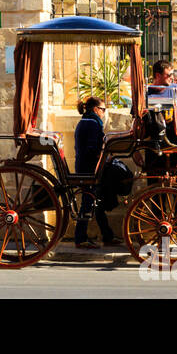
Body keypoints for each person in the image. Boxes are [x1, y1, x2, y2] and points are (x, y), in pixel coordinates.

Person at [72, 97, 117, 249]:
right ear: (96, 109)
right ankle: (80, 238)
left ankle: (107, 235)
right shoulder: (92, 124)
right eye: (103, 109)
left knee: (95, 201)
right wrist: (104, 157)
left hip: (85, 166)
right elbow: (92, 149)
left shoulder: (87, 122)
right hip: (88, 168)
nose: (104, 113)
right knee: (88, 201)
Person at [147, 60, 177, 140]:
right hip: (152, 141)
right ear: (158, 75)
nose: (172, 77)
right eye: (169, 75)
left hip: (174, 140)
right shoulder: (145, 93)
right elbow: (136, 119)